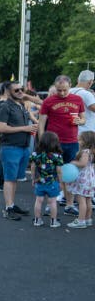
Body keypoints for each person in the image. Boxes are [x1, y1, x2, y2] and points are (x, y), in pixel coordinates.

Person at [38, 75, 86, 215]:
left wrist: (80, 121)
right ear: (55, 87)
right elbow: (41, 123)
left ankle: (69, 204)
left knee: (70, 174)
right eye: (59, 90)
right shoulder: (48, 101)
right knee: (51, 173)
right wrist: (42, 142)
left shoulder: (78, 100)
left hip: (71, 141)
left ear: (70, 86)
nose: (62, 93)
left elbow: (83, 119)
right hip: (53, 143)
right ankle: (49, 204)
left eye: (64, 90)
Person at [0, 81, 36, 220]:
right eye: (16, 90)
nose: (20, 92)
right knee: (9, 179)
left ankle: (12, 205)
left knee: (15, 179)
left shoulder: (22, 105)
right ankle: (8, 208)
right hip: (11, 147)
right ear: (8, 92)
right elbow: (0, 127)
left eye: (22, 89)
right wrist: (24, 129)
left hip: (23, 147)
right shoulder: (5, 106)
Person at [28, 131, 64, 228]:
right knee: (52, 202)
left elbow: (33, 167)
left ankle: (37, 220)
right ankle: (53, 221)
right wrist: (61, 182)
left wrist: (33, 178)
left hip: (39, 181)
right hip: (52, 182)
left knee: (38, 200)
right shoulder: (57, 156)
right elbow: (59, 170)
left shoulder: (36, 154)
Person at [66, 131, 95, 228]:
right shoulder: (91, 152)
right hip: (90, 178)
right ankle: (88, 219)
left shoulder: (85, 152)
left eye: (80, 139)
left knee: (81, 200)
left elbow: (83, 164)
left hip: (83, 179)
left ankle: (80, 220)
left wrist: (73, 162)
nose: (78, 140)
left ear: (85, 141)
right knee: (88, 200)